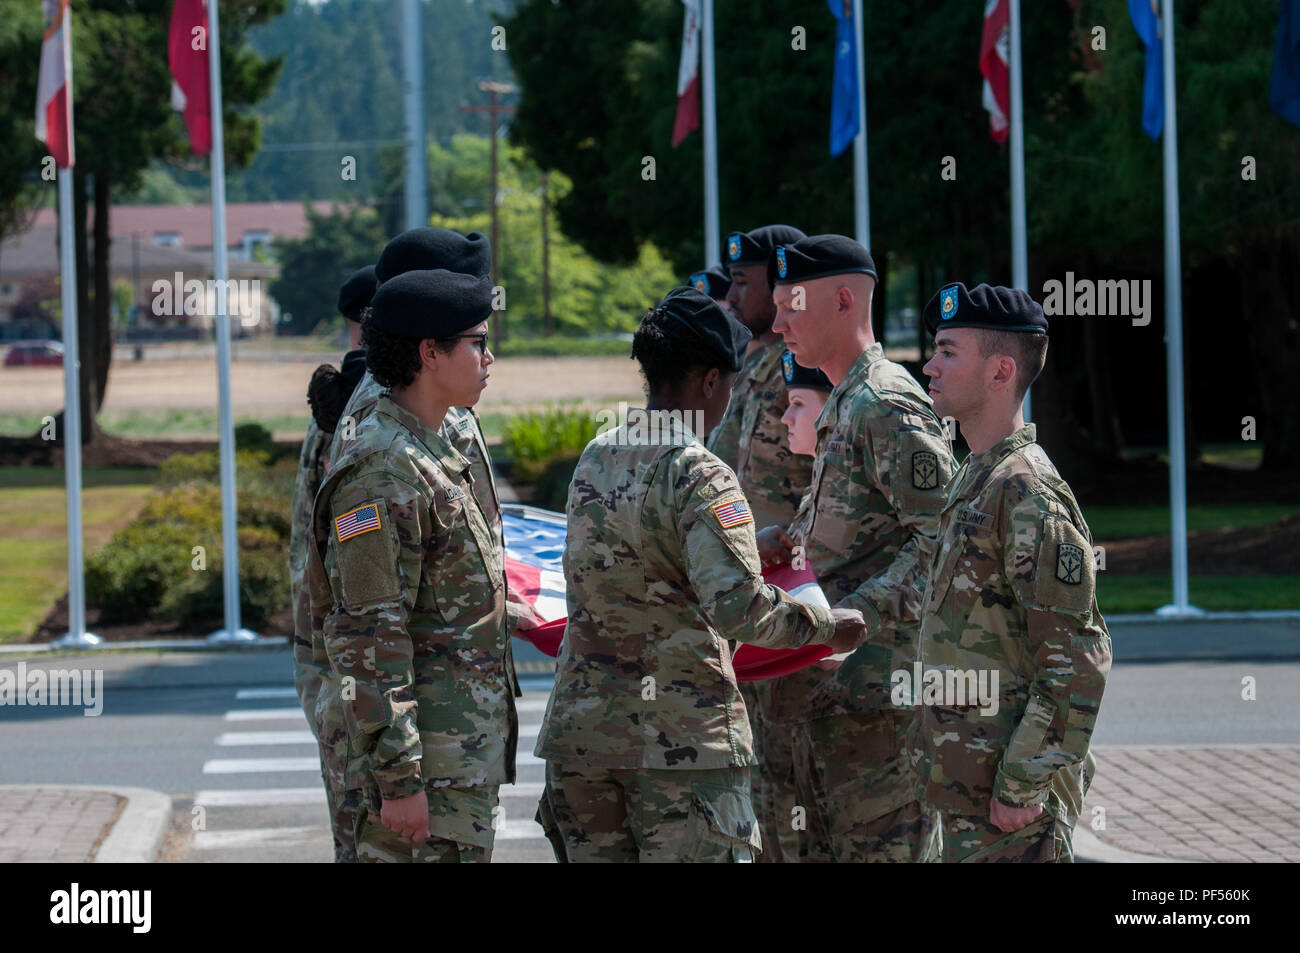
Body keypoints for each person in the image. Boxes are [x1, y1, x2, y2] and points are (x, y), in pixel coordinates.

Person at [533, 286, 868, 863]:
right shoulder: (701, 474)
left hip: (584, 741)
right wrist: (826, 627)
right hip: (679, 749)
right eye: (730, 388)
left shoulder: (597, 455)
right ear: (710, 382)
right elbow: (738, 609)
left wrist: (743, 548)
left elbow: (635, 564)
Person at [305, 269, 514, 863]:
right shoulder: (383, 471)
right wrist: (399, 781)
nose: (489, 356)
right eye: (477, 341)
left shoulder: (431, 448)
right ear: (430, 353)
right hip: (427, 772)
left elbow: (431, 596)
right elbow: (368, 635)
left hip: (457, 758)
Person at [758, 234, 954, 862]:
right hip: (830, 706)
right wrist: (778, 550)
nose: (778, 321)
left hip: (879, 713)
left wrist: (858, 614)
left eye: (792, 304)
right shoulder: (846, 402)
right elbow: (851, 538)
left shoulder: (886, 403)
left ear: (844, 300)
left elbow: (944, 543)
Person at [911, 281, 1111, 862]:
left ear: (1000, 373)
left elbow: (1077, 660)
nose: (930, 366)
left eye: (948, 352)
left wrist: (1023, 785)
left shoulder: (1026, 491)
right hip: (968, 793)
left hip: (1009, 810)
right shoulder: (977, 476)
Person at [708, 224, 812, 862]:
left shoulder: (806, 370)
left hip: (792, 587)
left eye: (745, 280)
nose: (734, 291)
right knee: (762, 772)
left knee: (792, 776)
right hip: (750, 590)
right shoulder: (752, 363)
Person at [289, 263, 376, 863]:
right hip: (351, 662)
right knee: (366, 837)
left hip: (328, 657)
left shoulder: (345, 412)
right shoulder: (351, 419)